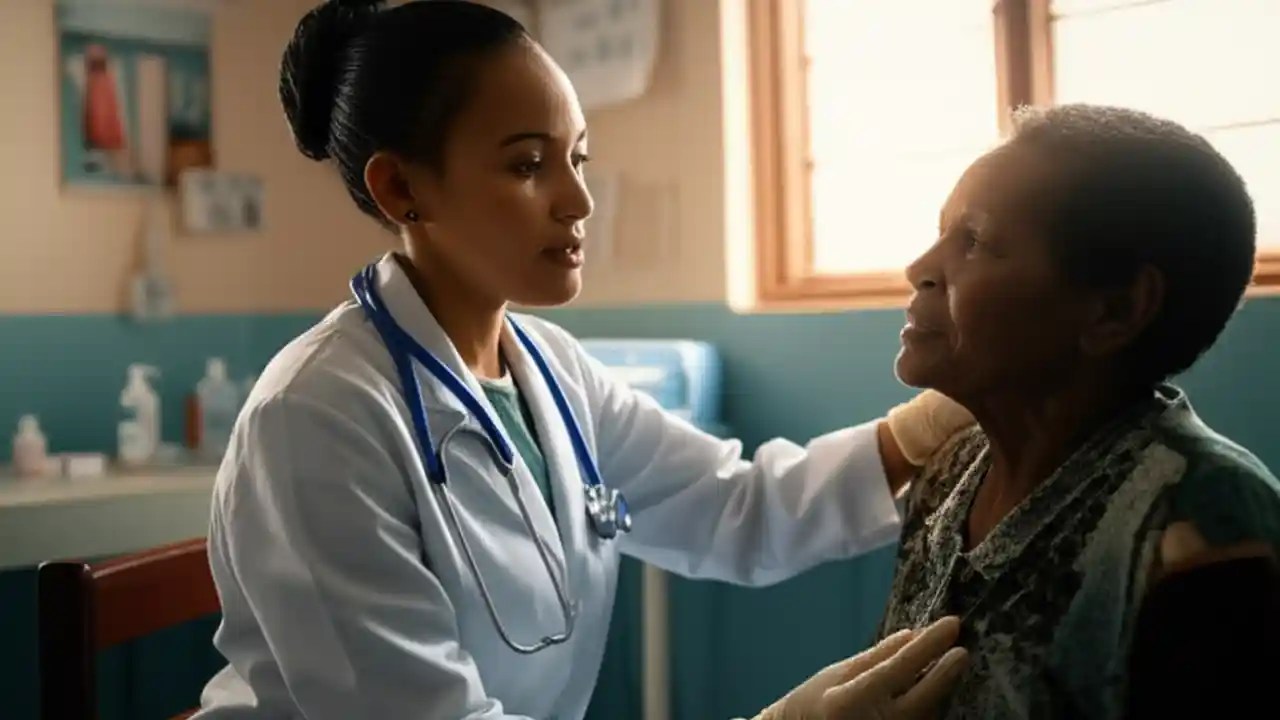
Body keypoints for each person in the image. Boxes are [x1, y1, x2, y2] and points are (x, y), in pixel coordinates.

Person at [193, 2, 974, 718]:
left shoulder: (552, 371)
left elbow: (735, 509)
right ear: (400, 188)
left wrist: (919, 430)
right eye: (529, 164)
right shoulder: (316, 418)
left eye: (579, 158)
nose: (578, 201)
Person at [874, 103, 1280, 719]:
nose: (921, 269)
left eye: (974, 242)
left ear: (1114, 312)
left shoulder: (1200, 522)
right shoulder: (952, 470)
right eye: (941, 234)